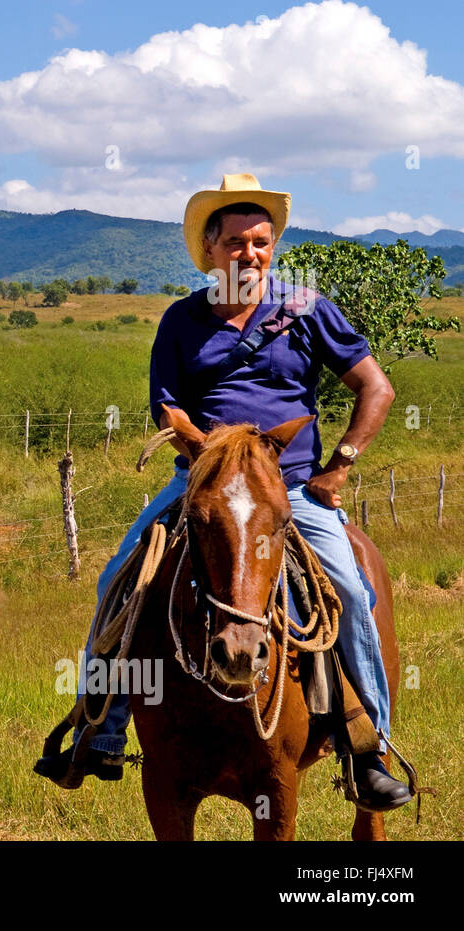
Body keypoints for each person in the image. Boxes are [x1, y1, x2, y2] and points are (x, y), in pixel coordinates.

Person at [34, 174, 412, 812]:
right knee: (118, 580)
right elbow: (167, 405)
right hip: (203, 481)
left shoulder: (307, 310)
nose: (250, 253)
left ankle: (366, 743)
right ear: (210, 249)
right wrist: (197, 449)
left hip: (287, 489)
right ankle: (104, 723)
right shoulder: (183, 319)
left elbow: (376, 388)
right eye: (235, 242)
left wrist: (340, 465)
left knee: (351, 588)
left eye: (261, 241)